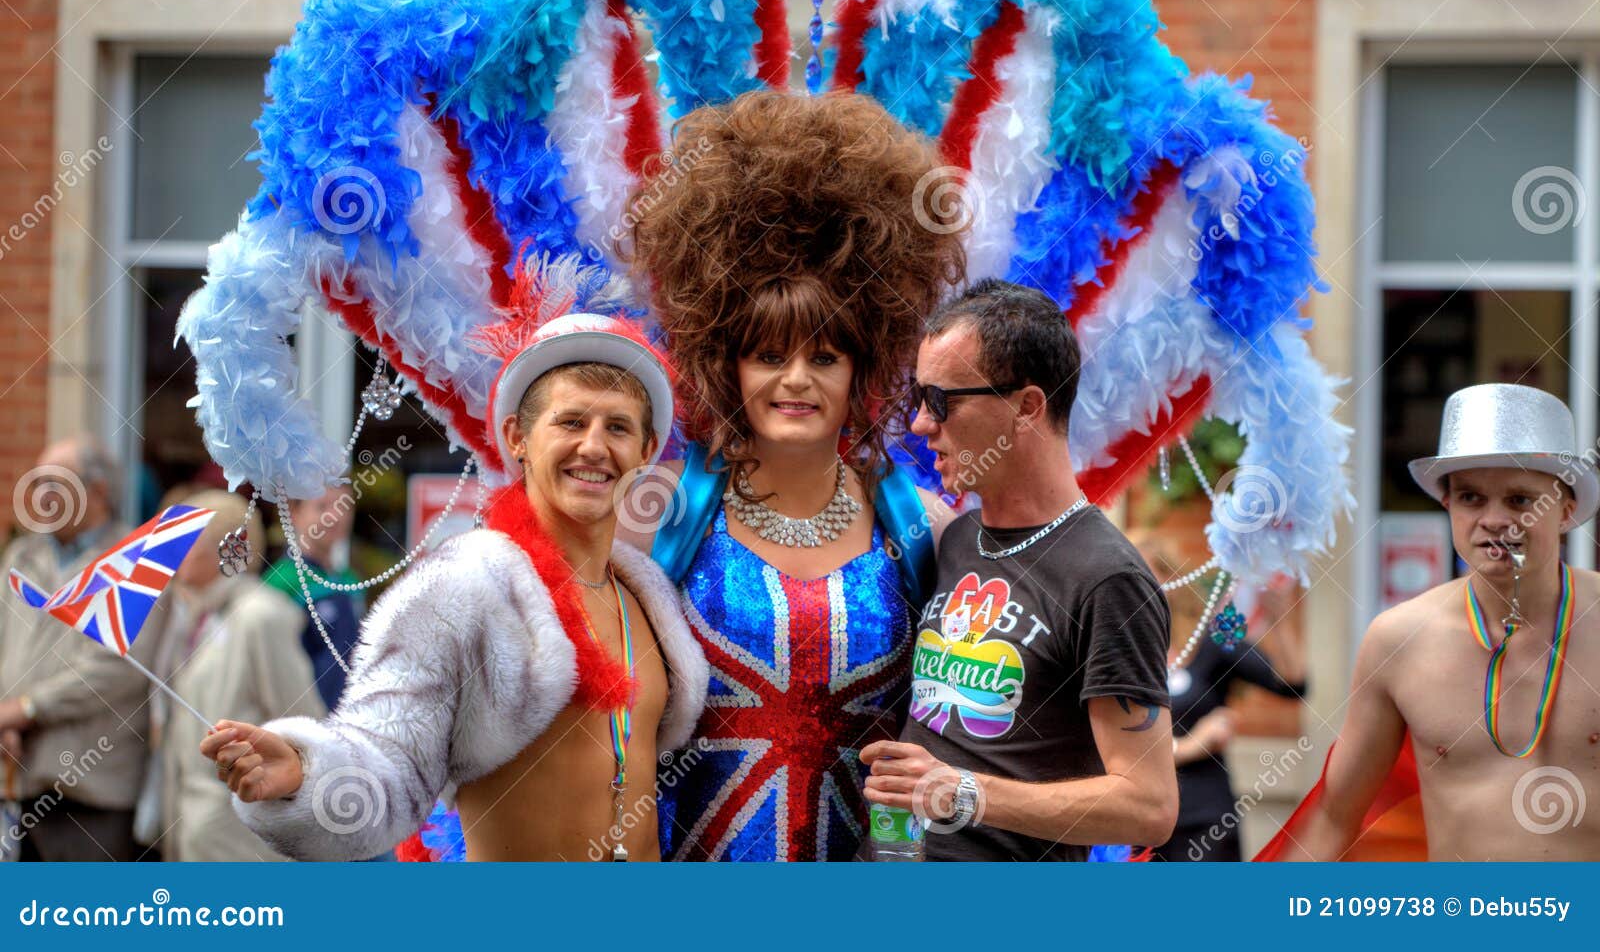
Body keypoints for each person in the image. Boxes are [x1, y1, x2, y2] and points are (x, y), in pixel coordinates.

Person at [199, 298, 709, 861]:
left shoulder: (650, 598)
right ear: (517, 437)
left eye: (617, 427)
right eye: (570, 421)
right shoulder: (466, 585)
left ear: (645, 450)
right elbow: (388, 747)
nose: (594, 446)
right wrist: (305, 774)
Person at [624, 90, 966, 861]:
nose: (796, 381)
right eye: (769, 354)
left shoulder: (925, 532)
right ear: (727, 364)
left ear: (862, 368)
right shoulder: (659, 515)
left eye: (824, 356)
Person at [862, 279, 1178, 860]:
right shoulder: (957, 538)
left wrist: (966, 793)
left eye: (941, 402)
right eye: (917, 401)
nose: (920, 426)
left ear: (1027, 407)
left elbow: (1150, 807)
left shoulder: (1110, 579)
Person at [1265, 383, 1600, 861]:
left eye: (1522, 501)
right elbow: (1336, 815)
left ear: (1566, 510)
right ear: (1447, 505)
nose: (1494, 519)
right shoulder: (1400, 640)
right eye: (1470, 497)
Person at [0, 438, 158, 861]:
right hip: (18, 778)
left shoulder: (132, 564)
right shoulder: (22, 554)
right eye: (36, 483)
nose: (40, 494)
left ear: (99, 491)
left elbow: (117, 668)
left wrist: (27, 708)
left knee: (88, 921)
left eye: (55, 482)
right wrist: (7, 718)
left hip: (91, 791)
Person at [146, 489, 325, 861]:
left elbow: (306, 726)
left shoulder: (260, 617)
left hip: (243, 843)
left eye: (189, 539)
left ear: (230, 548)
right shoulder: (190, 616)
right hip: (191, 833)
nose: (175, 552)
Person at [1141, 541, 1306, 862]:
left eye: (1147, 575)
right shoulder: (1120, 648)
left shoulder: (1210, 640)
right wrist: (1193, 745)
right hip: (1141, 821)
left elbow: (1292, 686)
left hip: (1205, 820)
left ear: (1170, 580)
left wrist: (1280, 618)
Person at [261, 484, 362, 709]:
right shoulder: (280, 582)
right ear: (295, 513)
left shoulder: (350, 580)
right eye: (322, 507)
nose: (335, 516)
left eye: (343, 507)